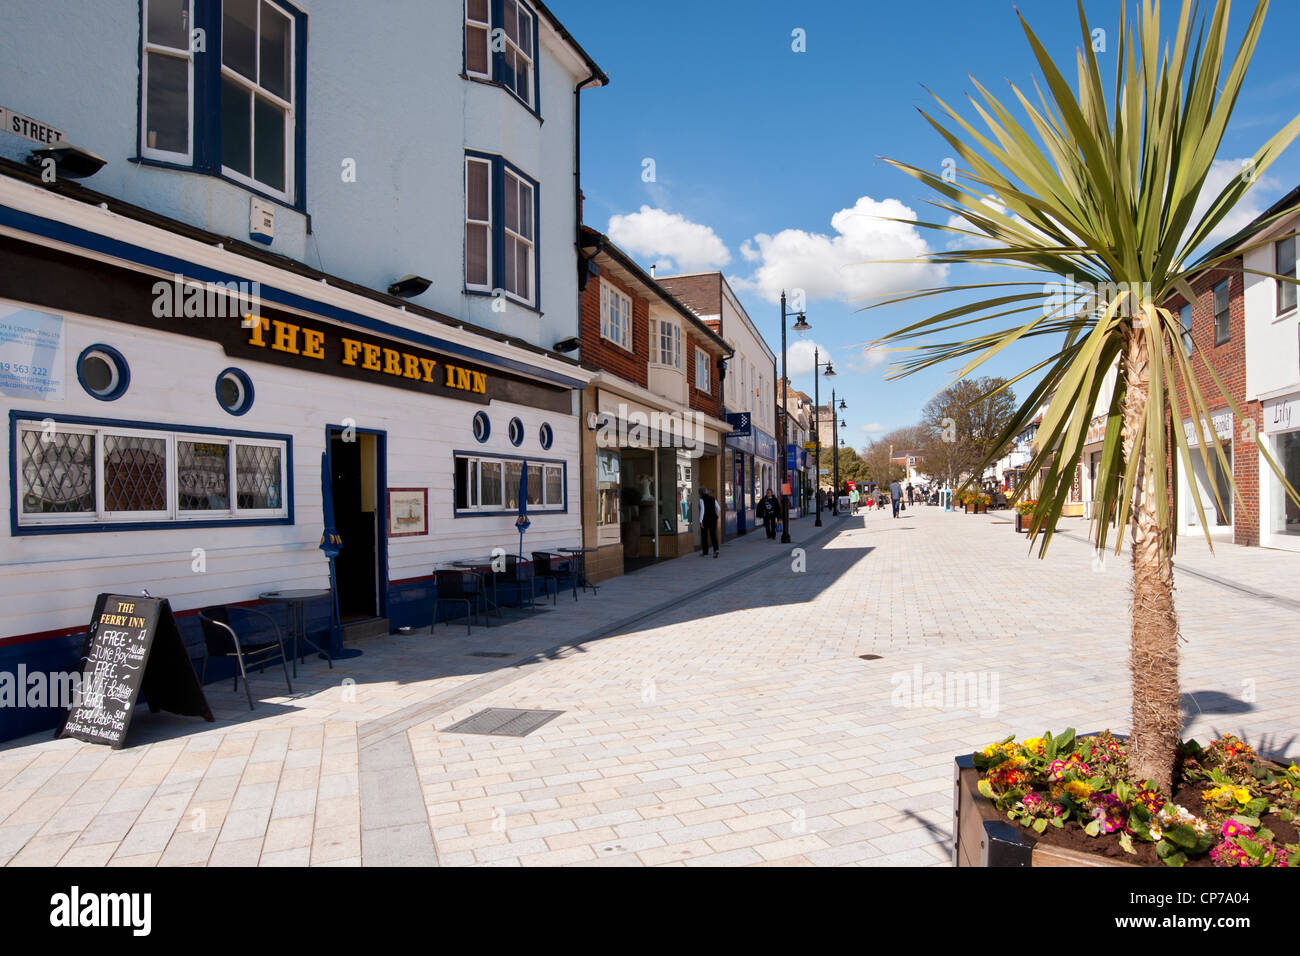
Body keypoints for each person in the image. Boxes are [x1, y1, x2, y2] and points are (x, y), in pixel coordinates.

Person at [698, 487, 720, 557]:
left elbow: (702, 510)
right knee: (713, 535)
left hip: (705, 519)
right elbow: (718, 508)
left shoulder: (701, 500)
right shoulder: (713, 499)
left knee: (704, 536)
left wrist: (700, 521)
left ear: (700, 493)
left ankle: (705, 552)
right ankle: (716, 550)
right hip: (713, 519)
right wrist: (715, 514)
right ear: (706, 492)